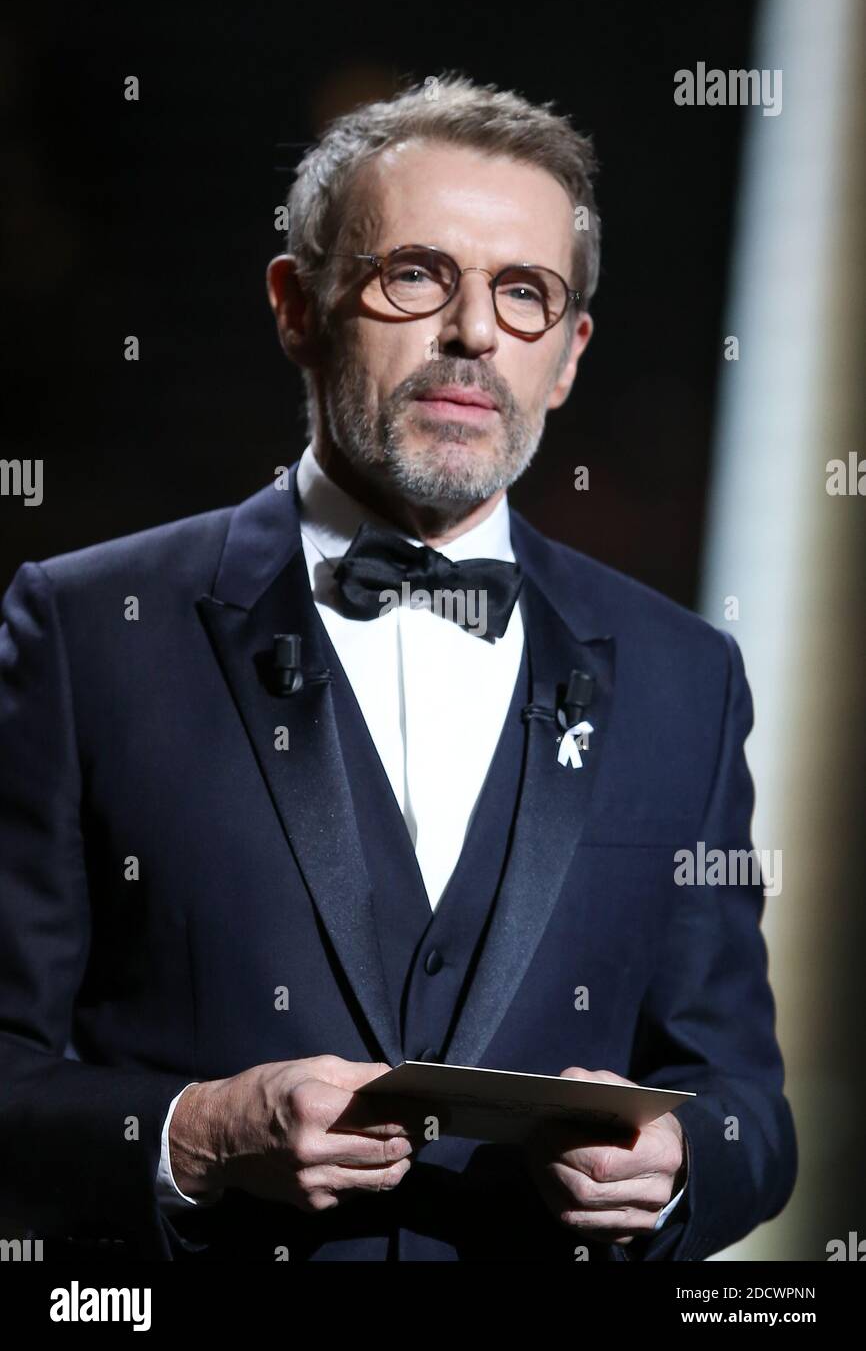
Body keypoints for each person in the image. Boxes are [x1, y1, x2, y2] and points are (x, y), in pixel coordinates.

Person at [0, 75, 796, 1262]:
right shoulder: (82, 628)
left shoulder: (689, 676)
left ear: (567, 356)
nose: (472, 333)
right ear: (296, 307)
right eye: (415, 274)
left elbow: (745, 1108)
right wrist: (195, 1131)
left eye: (522, 294)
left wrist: (681, 1163)